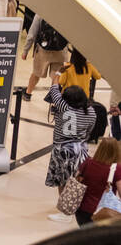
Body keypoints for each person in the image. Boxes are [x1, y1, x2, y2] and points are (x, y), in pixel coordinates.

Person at [46, 76, 97, 220]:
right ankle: (74, 206)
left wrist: (56, 75)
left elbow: (54, 89)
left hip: (62, 149)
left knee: (62, 180)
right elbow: (89, 130)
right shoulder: (91, 111)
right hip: (80, 149)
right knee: (76, 180)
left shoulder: (63, 107)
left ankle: (65, 211)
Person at [70, 137, 121, 226]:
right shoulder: (116, 169)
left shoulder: (87, 162)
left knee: (86, 234)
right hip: (103, 212)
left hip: (81, 210)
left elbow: (77, 178)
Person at [21, 13, 70, 100]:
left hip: (43, 50)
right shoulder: (66, 14)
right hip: (60, 51)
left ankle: (28, 93)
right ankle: (55, 103)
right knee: (56, 76)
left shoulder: (41, 12)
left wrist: (25, 51)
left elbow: (32, 34)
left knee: (36, 73)